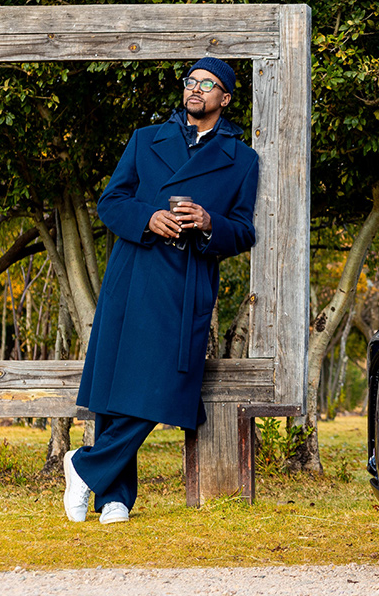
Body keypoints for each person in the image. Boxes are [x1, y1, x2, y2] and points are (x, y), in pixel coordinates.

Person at [63, 57, 259, 524]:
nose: (196, 90)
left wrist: (211, 224)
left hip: (186, 283)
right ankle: (114, 497)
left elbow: (244, 231)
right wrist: (148, 218)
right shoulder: (144, 139)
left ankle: (83, 466)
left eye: (207, 85)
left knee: (162, 384)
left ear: (224, 99)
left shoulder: (242, 158)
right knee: (118, 385)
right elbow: (110, 202)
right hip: (133, 273)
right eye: (191, 82)